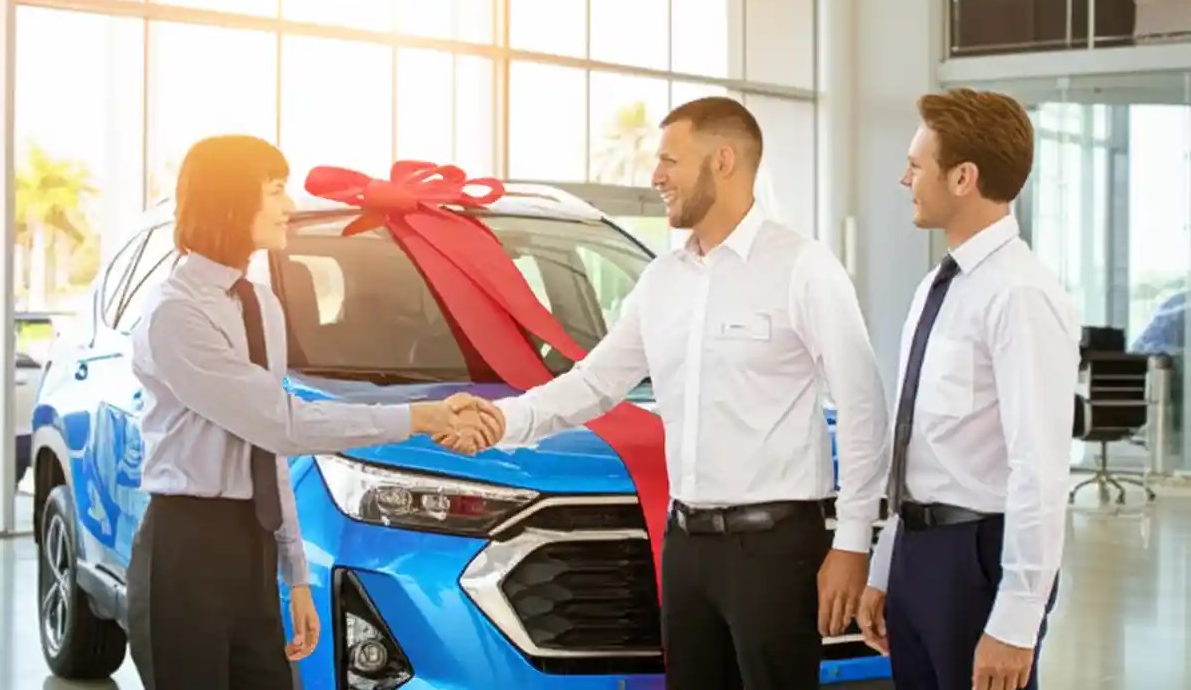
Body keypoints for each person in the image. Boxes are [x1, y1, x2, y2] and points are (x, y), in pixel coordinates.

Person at [443, 97, 891, 689]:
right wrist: (502, 421)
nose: (656, 177)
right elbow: (596, 383)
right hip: (684, 546)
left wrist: (854, 543)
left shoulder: (803, 268)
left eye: (669, 160)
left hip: (776, 550)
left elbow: (863, 407)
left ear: (723, 161)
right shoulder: (663, 281)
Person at [125, 134, 500, 689]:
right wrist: (421, 418)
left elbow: (269, 450)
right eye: (275, 191)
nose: (290, 206)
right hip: (187, 549)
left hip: (252, 543)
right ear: (230, 201)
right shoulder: (176, 315)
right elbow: (283, 422)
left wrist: (293, 575)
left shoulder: (261, 304)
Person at [856, 89, 1079, 690]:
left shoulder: (1021, 295)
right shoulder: (937, 285)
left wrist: (1016, 620)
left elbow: (1040, 468)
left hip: (980, 557)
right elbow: (919, 444)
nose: (905, 179)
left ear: (963, 177)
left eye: (916, 165)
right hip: (919, 552)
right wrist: (886, 566)